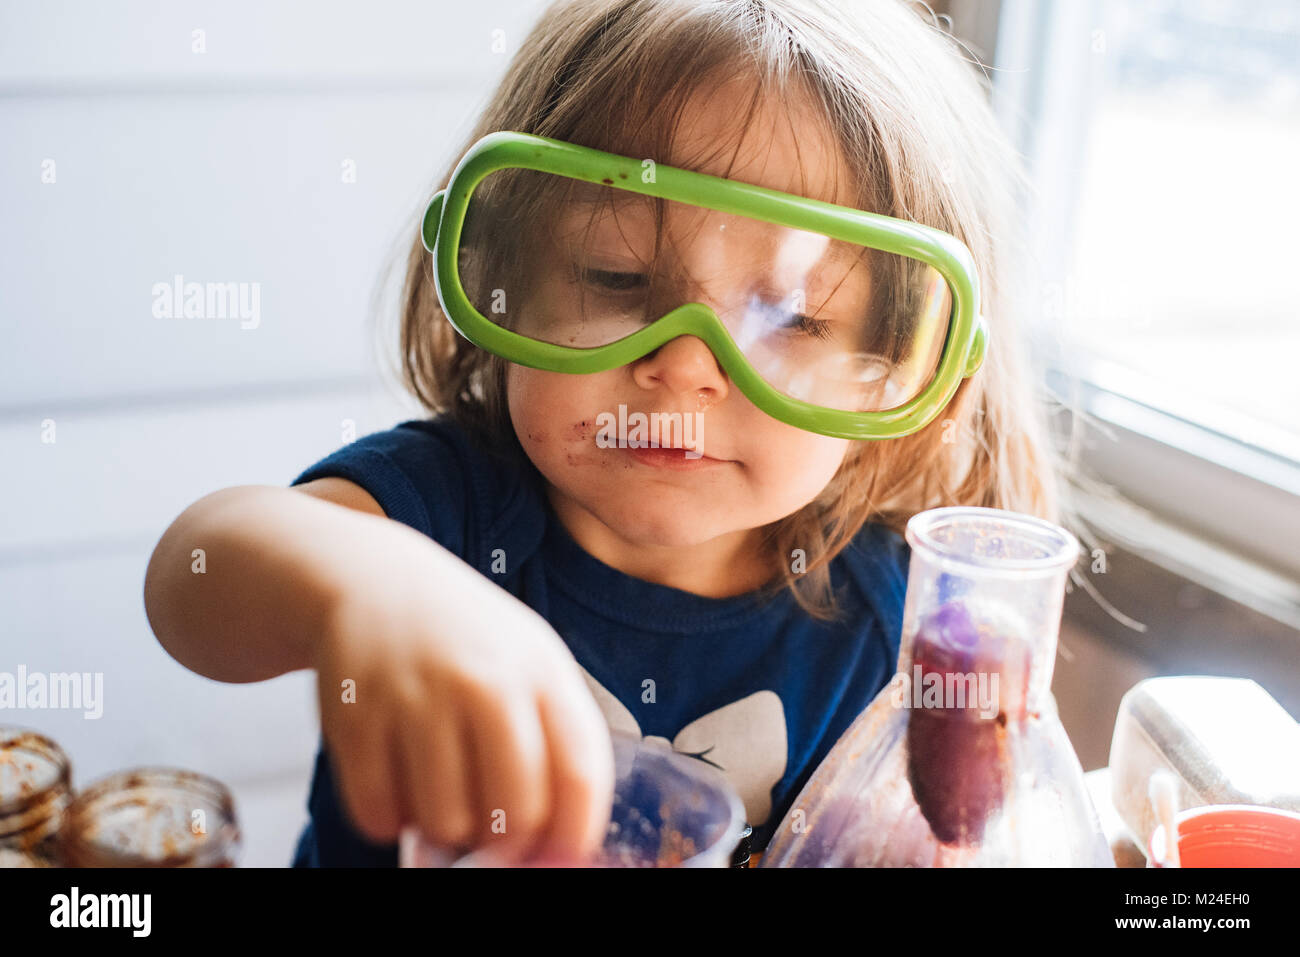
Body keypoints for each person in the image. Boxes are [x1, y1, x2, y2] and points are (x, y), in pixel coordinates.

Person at [144, 0, 1060, 867]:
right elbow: (194, 573)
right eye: (615, 276)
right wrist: (368, 586)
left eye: (794, 315)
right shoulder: (445, 512)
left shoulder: (892, 629)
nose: (687, 366)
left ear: (902, 376)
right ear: (499, 269)